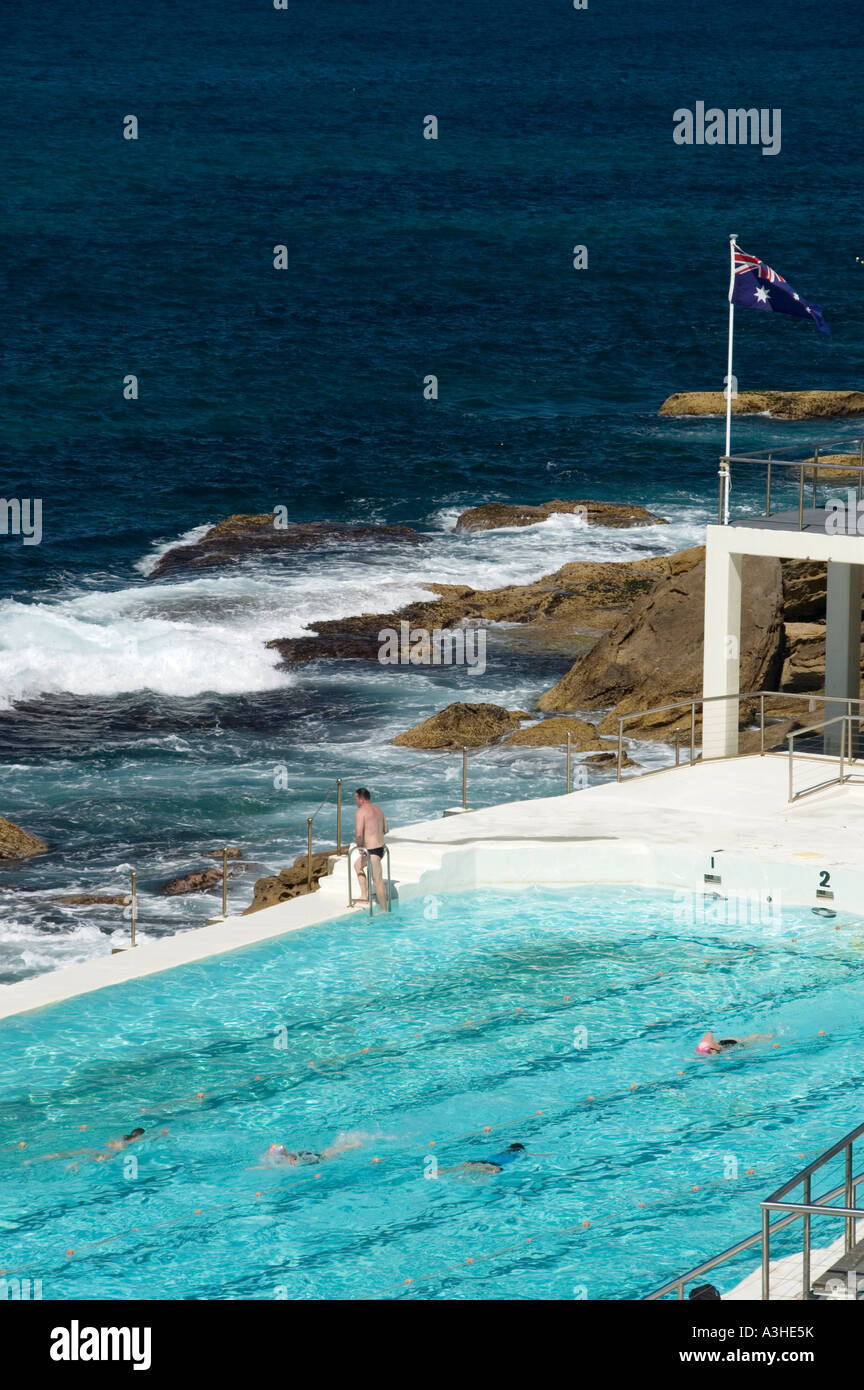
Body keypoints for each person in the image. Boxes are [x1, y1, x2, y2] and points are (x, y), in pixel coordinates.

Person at [353, 787, 389, 910]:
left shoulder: (361, 812)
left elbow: (359, 834)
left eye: (355, 799)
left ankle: (384, 910)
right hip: (380, 848)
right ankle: (364, 895)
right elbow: (386, 829)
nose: (355, 802)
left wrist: (360, 848)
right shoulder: (379, 810)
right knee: (358, 865)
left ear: (360, 798)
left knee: (377, 880)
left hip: (371, 850)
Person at [250, 1133, 365, 1169]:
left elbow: (271, 1168)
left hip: (309, 1158)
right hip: (303, 1155)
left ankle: (354, 1144)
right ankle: (350, 1143)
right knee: (328, 1151)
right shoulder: (286, 1156)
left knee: (327, 1154)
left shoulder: (285, 1161)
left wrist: (255, 1168)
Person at [443, 1143, 526, 1175]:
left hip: (478, 1161)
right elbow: (524, 1156)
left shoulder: (502, 1150)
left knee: (450, 1170)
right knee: (498, 1171)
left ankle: (435, 1172)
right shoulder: (516, 1155)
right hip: (492, 1166)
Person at [696, 1030, 773, 1055]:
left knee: (748, 1041)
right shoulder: (705, 1042)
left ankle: (769, 1035)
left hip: (732, 1043)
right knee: (746, 1038)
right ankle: (766, 1035)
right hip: (724, 1041)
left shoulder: (711, 1051)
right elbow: (709, 1032)